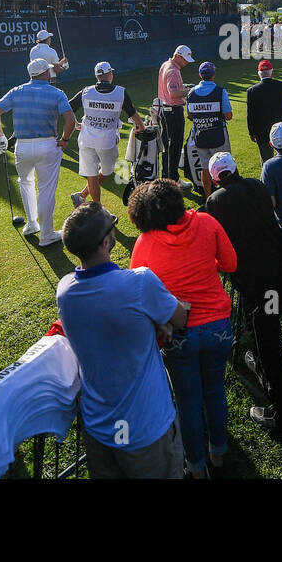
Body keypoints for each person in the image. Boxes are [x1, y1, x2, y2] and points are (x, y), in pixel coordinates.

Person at [56, 204, 188, 478]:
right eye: (111, 224)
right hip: (146, 431)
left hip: (99, 430)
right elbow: (180, 317)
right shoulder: (139, 283)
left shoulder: (65, 290)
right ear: (106, 242)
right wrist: (158, 318)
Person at [128, 180, 237, 477]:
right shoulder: (206, 221)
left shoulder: (145, 243)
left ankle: (196, 466)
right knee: (215, 391)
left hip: (178, 333)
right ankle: (218, 453)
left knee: (187, 402)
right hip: (218, 326)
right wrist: (203, 263)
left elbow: (138, 291)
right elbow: (230, 263)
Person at [202, 152, 282, 434]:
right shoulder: (256, 186)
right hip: (279, 268)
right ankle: (258, 360)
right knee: (261, 328)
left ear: (216, 177)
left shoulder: (216, 201)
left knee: (268, 339)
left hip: (261, 281)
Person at [0, 59, 76, 248]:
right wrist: (65, 139)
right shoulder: (56, 93)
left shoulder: (17, 91)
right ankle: (46, 234)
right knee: (46, 190)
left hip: (22, 147)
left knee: (25, 183)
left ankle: (32, 224)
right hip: (47, 145)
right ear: (45, 73)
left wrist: (0, 137)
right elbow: (70, 120)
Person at [69, 61, 145, 208]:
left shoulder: (86, 91)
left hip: (86, 139)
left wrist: (77, 123)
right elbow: (133, 113)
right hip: (107, 142)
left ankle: (82, 196)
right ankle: (97, 208)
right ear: (109, 74)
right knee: (104, 172)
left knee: (94, 175)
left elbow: (68, 107)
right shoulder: (120, 92)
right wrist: (141, 127)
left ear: (97, 76)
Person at [185, 60, 232, 200]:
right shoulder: (220, 91)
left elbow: (189, 115)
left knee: (205, 167)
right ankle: (227, 195)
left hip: (201, 136)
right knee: (225, 165)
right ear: (213, 75)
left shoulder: (191, 93)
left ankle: (209, 198)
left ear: (200, 75)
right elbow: (228, 116)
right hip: (218, 136)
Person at [157, 45, 194, 190]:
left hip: (165, 110)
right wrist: (190, 90)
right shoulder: (173, 71)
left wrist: (183, 86)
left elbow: (170, 89)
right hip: (173, 112)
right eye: (185, 59)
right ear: (178, 56)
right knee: (175, 146)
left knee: (168, 146)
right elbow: (173, 94)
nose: (186, 62)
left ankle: (167, 176)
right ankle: (173, 178)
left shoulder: (166, 65)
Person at [246, 59, 282, 163]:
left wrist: (251, 132)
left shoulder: (252, 91)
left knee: (267, 161)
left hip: (262, 133)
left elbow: (250, 115)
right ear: (272, 72)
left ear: (259, 74)